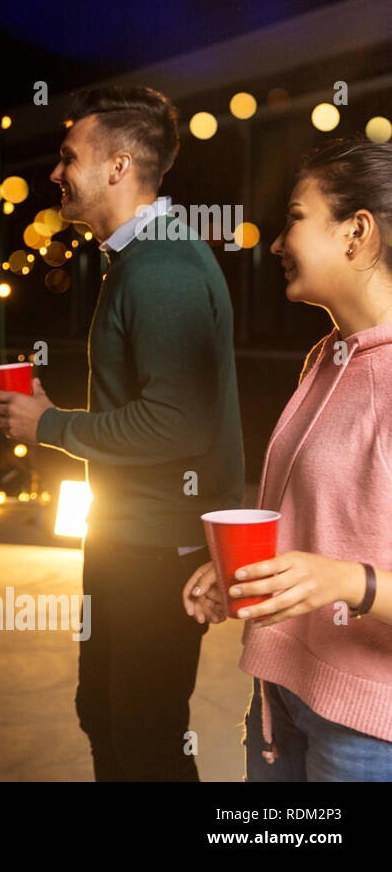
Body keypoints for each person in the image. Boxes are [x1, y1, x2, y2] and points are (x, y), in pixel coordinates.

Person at [0, 85, 244, 781]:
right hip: (130, 538)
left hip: (157, 550)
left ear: (118, 166)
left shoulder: (161, 266)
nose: (54, 172)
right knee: (108, 715)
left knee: (143, 737)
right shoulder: (143, 257)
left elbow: (179, 422)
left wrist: (52, 424)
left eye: (68, 157)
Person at [182, 138, 392, 781]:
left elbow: (343, 565)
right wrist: (250, 573)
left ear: (357, 232)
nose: (274, 243)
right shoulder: (329, 356)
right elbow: (324, 517)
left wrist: (346, 582)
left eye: (295, 218)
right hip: (281, 693)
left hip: (365, 729)